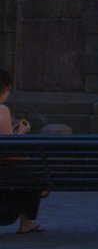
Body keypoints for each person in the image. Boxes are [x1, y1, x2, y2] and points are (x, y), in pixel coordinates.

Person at [0, 69, 43, 234]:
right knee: (32, 171)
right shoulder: (2, 110)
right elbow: (9, 151)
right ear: (5, 89)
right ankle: (27, 221)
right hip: (4, 176)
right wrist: (21, 132)